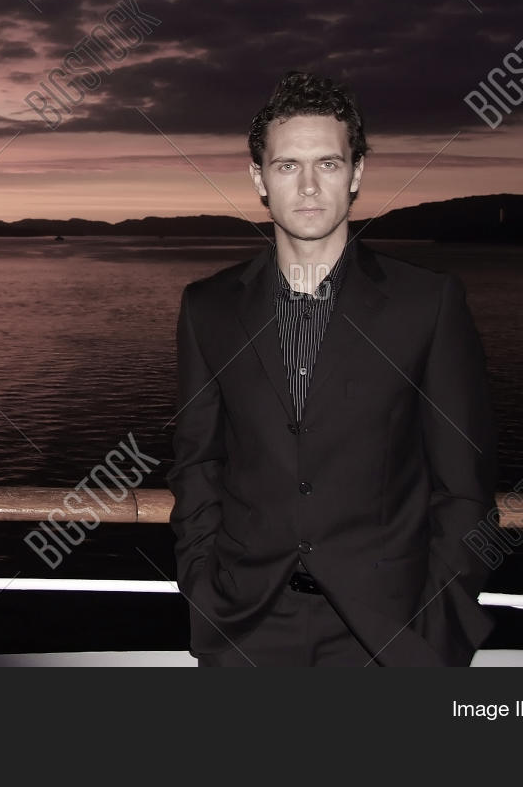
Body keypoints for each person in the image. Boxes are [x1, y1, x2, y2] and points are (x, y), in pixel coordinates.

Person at [168, 70, 499, 666]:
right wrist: (203, 589)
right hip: (245, 626)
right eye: (287, 165)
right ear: (259, 179)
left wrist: (436, 627)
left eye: (328, 163)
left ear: (356, 174)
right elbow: (198, 464)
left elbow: (464, 487)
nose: (309, 186)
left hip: (388, 633)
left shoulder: (428, 303)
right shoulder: (208, 308)